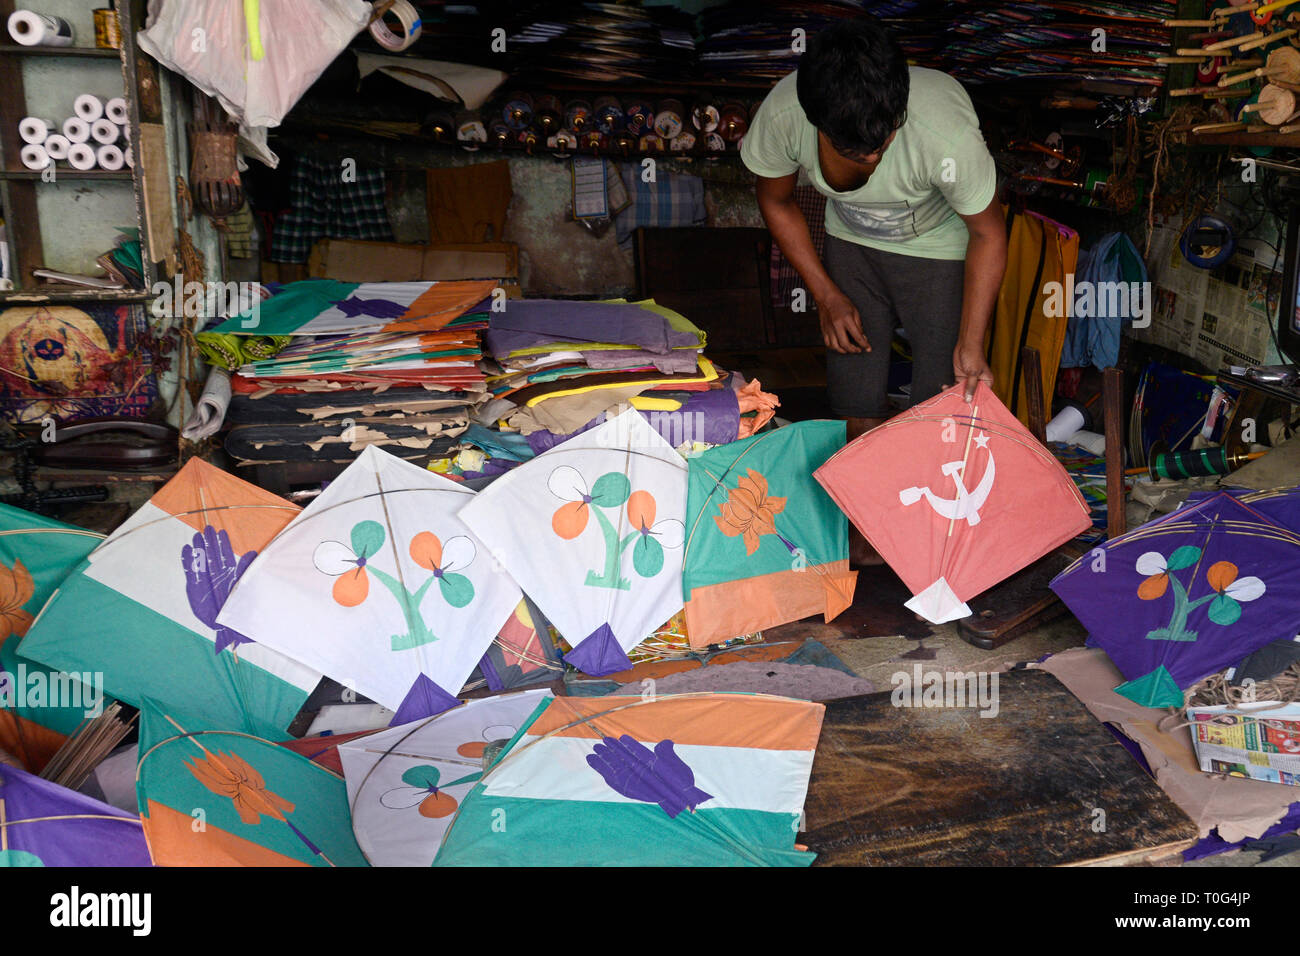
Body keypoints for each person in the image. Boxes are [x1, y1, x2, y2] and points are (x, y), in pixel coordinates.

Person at [741, 17, 1007, 562]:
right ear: (817, 121)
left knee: (944, 395)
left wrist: (973, 339)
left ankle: (928, 540)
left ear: (900, 112)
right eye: (855, 150)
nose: (873, 160)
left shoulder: (945, 133)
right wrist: (826, 294)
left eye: (881, 145)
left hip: (940, 250)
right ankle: (853, 530)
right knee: (852, 386)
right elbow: (776, 200)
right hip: (851, 245)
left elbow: (988, 231)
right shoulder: (785, 113)